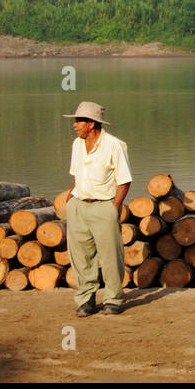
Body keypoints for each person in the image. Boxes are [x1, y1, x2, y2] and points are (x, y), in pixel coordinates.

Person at [63, 101, 132, 316]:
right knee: (81, 257)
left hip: (104, 207)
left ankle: (113, 298)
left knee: (111, 255)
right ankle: (86, 299)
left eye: (79, 121)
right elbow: (77, 174)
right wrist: (70, 198)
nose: (75, 125)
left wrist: (115, 207)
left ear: (92, 124)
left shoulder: (114, 145)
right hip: (78, 206)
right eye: (75, 121)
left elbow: (124, 180)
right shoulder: (77, 144)